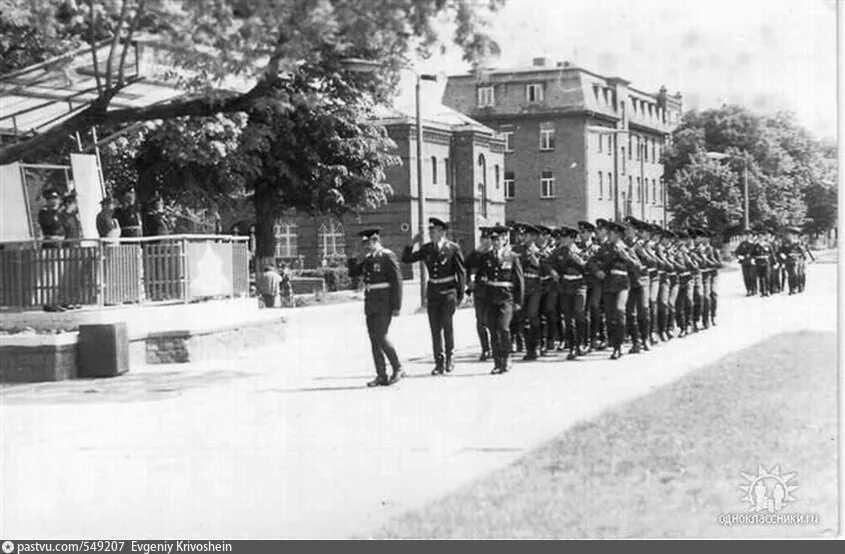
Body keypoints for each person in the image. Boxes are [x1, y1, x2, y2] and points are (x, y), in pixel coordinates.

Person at [401, 217, 466, 375]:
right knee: (435, 328)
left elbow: (461, 272)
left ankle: (450, 358)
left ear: (442, 231)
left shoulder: (453, 248)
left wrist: (460, 294)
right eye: (430, 230)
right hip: (433, 292)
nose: (430, 233)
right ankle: (439, 362)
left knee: (447, 325)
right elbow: (407, 259)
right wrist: (412, 243)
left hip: (448, 291)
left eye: (433, 230)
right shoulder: (427, 248)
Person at [348, 229, 403, 387]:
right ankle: (381, 375)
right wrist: (353, 256)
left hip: (384, 302)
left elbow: (397, 281)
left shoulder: (387, 256)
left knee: (381, 336)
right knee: (374, 339)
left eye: (367, 243)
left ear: (375, 240)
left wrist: (396, 305)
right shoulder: (369, 258)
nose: (365, 246)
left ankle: (398, 367)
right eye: (364, 244)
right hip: (371, 302)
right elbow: (353, 273)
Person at [480, 225, 524, 374]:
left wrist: (519, 301)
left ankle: (507, 357)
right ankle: (497, 362)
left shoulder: (512, 256)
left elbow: (519, 281)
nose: (495, 242)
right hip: (491, 298)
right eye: (493, 239)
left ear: (504, 239)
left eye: (498, 239)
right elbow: (481, 276)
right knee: (493, 330)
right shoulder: (486, 257)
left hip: (507, 298)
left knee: (504, 328)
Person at [595, 221, 642, 360]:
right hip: (608, 285)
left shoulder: (627, 249)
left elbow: (638, 266)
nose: (609, 235)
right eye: (609, 233)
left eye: (611, 233)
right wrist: (597, 271)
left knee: (620, 311)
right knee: (610, 317)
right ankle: (614, 341)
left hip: (623, 285)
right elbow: (591, 261)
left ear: (618, 235)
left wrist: (626, 257)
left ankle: (618, 347)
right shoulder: (605, 248)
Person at [550, 226, 587, 360]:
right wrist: (552, 271)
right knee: (568, 318)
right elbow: (547, 263)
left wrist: (582, 263)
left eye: (566, 237)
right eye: (562, 237)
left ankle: (581, 344)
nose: (563, 240)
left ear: (572, 239)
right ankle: (572, 347)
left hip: (579, 285)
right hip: (566, 286)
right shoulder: (558, 251)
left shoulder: (582, 250)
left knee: (579, 313)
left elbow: (589, 267)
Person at [516, 224, 543, 361]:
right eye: (524, 235)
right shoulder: (517, 249)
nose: (525, 238)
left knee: (533, 316)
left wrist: (536, 262)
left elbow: (545, 270)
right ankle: (528, 349)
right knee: (523, 318)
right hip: (522, 288)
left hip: (535, 288)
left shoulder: (540, 251)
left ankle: (536, 346)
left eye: (527, 235)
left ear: (534, 237)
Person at [466, 227, 492, 361]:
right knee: (481, 321)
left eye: (489, 239)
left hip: (494, 292)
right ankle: (485, 349)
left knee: (493, 321)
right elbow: (469, 270)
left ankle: (497, 347)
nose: (487, 242)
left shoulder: (495, 254)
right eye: (484, 239)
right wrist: (469, 283)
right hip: (480, 292)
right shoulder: (475, 255)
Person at [734, 230, 756, 296]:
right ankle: (748, 290)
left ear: (751, 236)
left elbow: (756, 253)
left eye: (748, 235)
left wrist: (754, 258)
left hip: (752, 262)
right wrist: (739, 256)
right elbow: (737, 252)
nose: (747, 237)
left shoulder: (754, 244)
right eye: (746, 235)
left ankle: (753, 289)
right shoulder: (742, 244)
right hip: (744, 262)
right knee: (746, 276)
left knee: (752, 276)